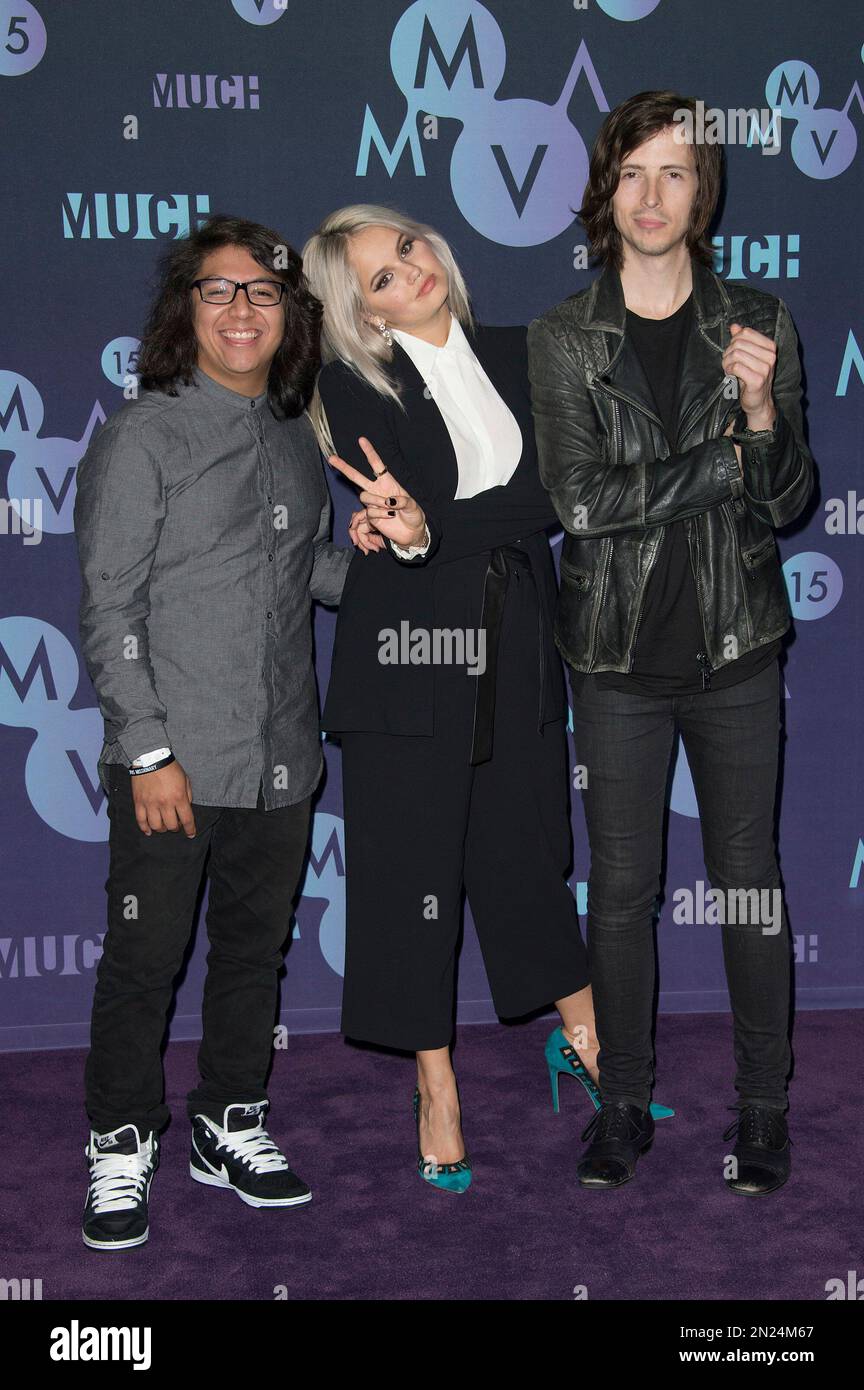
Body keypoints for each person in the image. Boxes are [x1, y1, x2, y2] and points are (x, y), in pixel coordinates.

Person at [303, 203, 624, 1195]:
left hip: (521, 646)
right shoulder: (349, 383)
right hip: (406, 662)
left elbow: (567, 493)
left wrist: (435, 522)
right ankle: (434, 1088)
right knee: (410, 875)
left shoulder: (524, 350)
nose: (410, 272)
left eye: (406, 248)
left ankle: (588, 1036)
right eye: (381, 280)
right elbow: (411, 512)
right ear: (359, 314)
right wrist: (414, 530)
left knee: (526, 846)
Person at [528, 91, 814, 1194]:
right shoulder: (564, 336)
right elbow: (585, 503)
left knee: (748, 882)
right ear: (608, 190)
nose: (653, 196)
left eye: (677, 173)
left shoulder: (758, 318)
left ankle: (764, 1109)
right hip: (615, 661)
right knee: (622, 891)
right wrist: (722, 467)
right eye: (633, 173)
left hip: (738, 647)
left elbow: (786, 500)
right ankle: (625, 1107)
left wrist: (757, 422)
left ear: (705, 193)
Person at [73, 213, 351, 1249]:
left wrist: (381, 544)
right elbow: (110, 605)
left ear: (291, 316)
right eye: (218, 291)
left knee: (252, 956)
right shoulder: (144, 434)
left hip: (281, 756)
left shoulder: (294, 432)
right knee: (145, 962)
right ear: (184, 311)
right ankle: (116, 1140)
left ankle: (228, 1121)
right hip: (174, 761)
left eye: (263, 292)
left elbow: (313, 574)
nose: (241, 309)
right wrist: (146, 750)